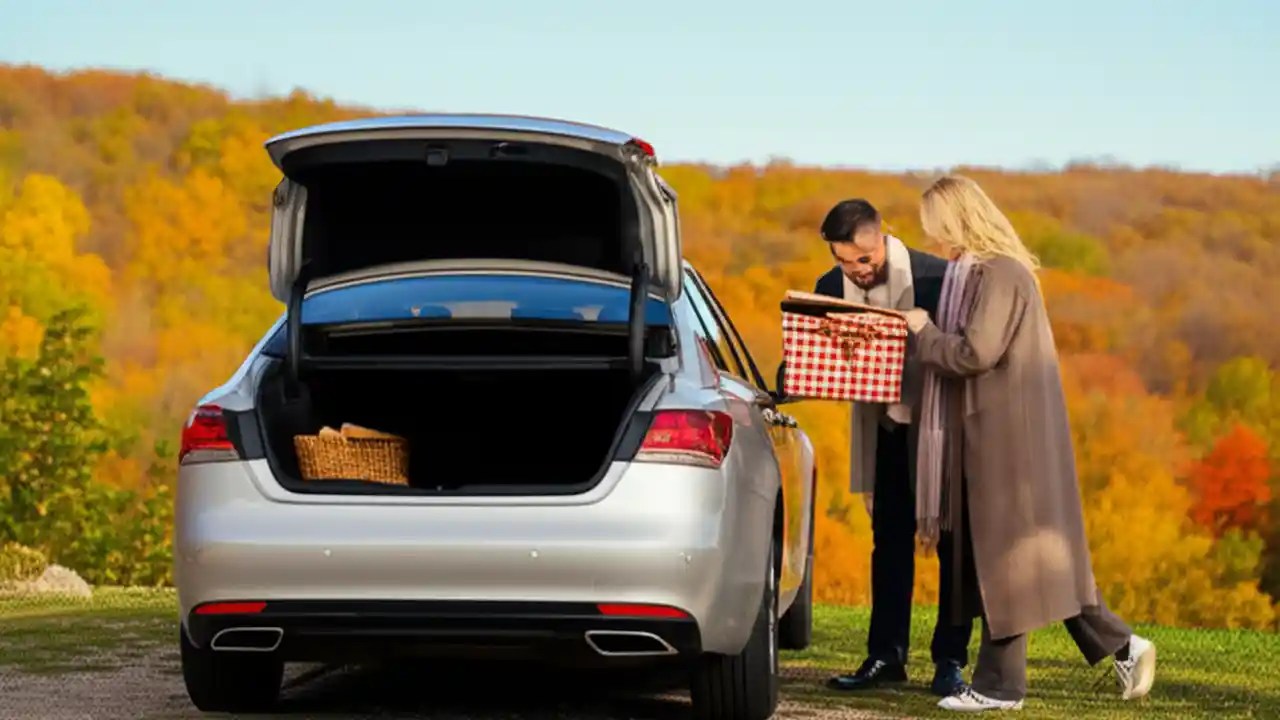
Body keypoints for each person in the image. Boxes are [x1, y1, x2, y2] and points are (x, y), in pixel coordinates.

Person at [901, 175, 1157, 712]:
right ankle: (1122, 644)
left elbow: (976, 353)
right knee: (1028, 562)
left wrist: (922, 332)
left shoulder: (999, 275)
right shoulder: (994, 273)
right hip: (1000, 434)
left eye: (938, 227)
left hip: (1003, 439)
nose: (935, 240)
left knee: (1006, 562)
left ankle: (1000, 688)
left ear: (959, 219)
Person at [809, 199, 974, 698]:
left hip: (940, 429)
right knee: (890, 543)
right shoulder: (826, 289)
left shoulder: (938, 278)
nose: (854, 272)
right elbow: (821, 358)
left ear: (882, 238)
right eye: (843, 262)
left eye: (863, 260)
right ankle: (885, 655)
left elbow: (963, 350)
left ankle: (950, 660)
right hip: (882, 429)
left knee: (951, 546)